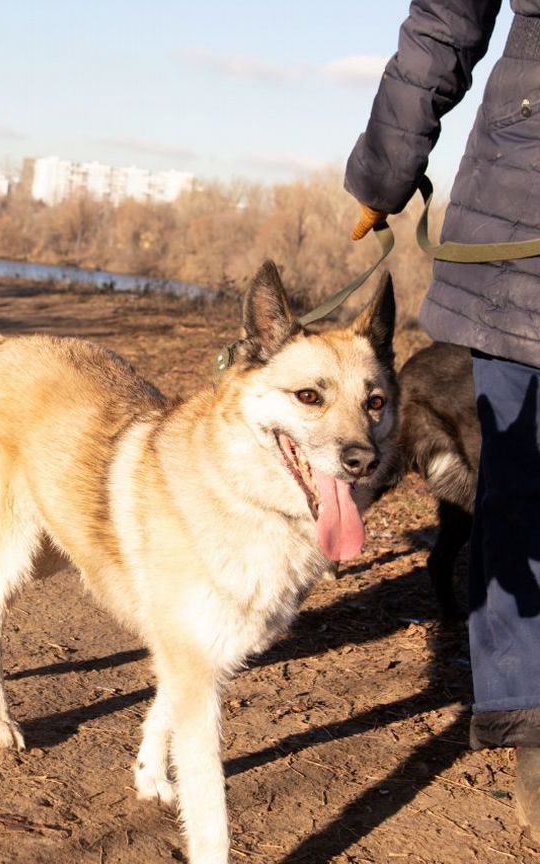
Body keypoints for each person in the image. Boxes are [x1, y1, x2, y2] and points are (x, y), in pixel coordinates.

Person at [345, 0, 540, 840]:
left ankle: (532, 721)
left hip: (520, 220)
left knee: (521, 488)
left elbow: (443, 25)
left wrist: (383, 178)